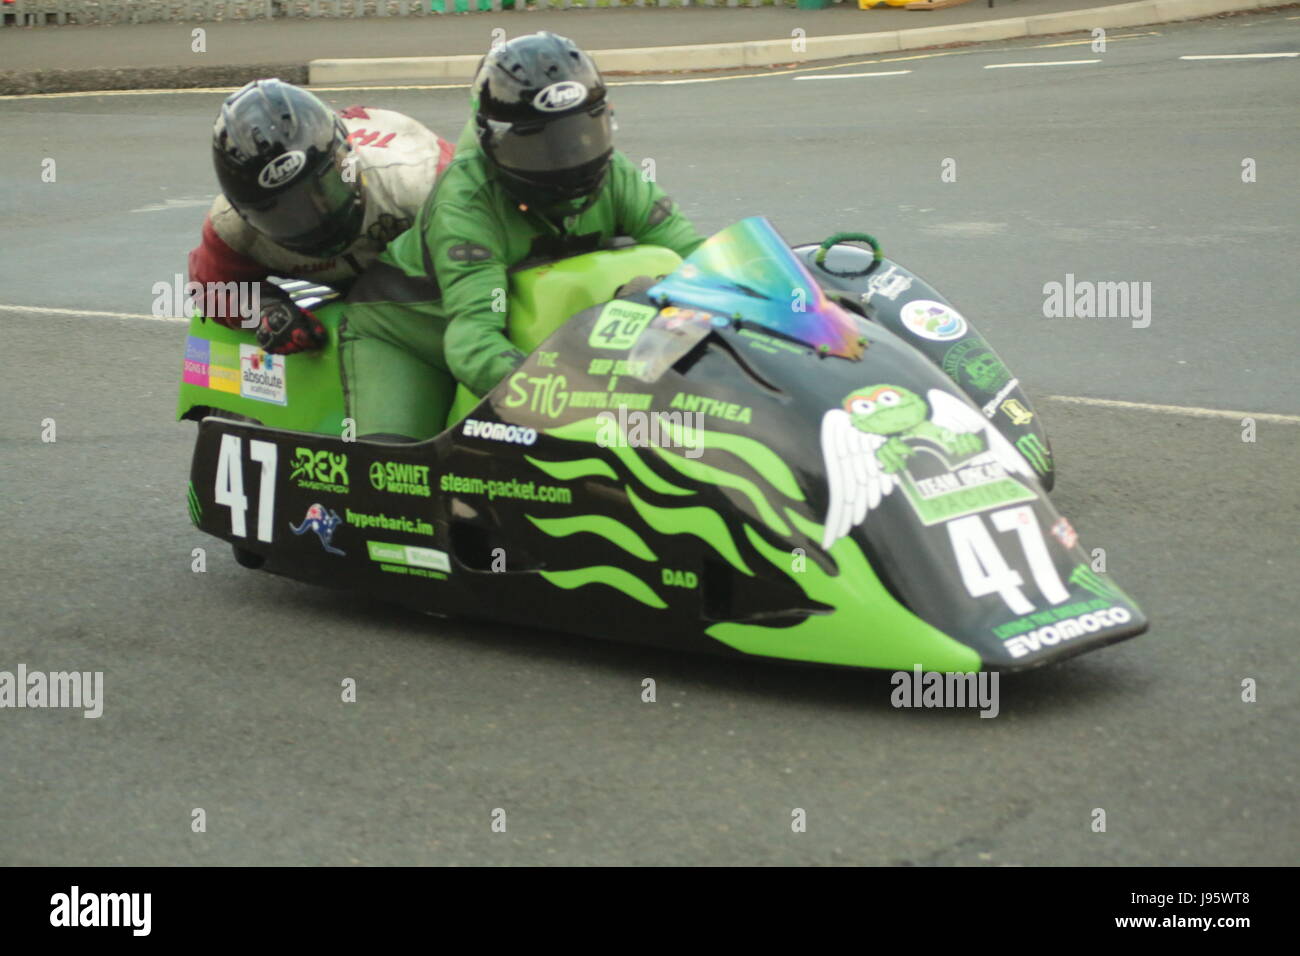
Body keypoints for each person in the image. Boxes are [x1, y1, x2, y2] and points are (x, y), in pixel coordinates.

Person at [339, 31, 707, 442]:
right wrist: (570, 401)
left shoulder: (616, 175)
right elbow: (473, 342)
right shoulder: (466, 202)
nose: (568, 160)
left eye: (581, 135)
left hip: (525, 335)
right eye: (540, 146)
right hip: (408, 336)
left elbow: (700, 260)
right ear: (493, 141)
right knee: (395, 479)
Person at [189, 78, 454, 354]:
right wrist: (267, 311)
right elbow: (210, 288)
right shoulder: (231, 229)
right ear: (244, 211)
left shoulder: (419, 180)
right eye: (281, 213)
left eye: (323, 191)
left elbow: (489, 231)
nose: (312, 218)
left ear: (346, 160)